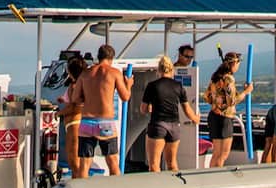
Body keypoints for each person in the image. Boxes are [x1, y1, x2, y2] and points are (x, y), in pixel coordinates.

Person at [67, 46, 132, 177]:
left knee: (84, 166)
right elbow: (125, 97)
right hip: (105, 123)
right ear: (111, 58)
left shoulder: (85, 74)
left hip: (86, 123)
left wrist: (88, 99)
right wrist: (129, 85)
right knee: (113, 164)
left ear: (99, 56)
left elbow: (75, 98)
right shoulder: (114, 73)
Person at [140, 54, 199, 174]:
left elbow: (143, 109)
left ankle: (157, 185)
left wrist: (150, 107)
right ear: (172, 70)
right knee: (172, 163)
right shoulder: (178, 86)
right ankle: (177, 184)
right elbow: (187, 109)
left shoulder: (152, 86)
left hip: (158, 125)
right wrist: (195, 118)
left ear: (159, 70)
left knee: (154, 165)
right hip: (174, 126)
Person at [204, 53, 253, 168]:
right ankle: (217, 175)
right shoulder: (228, 79)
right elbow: (232, 101)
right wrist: (246, 92)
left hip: (213, 116)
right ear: (234, 63)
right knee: (223, 154)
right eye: (238, 63)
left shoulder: (215, 77)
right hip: (225, 118)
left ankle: (211, 175)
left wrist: (217, 103)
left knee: (216, 153)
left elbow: (207, 97)